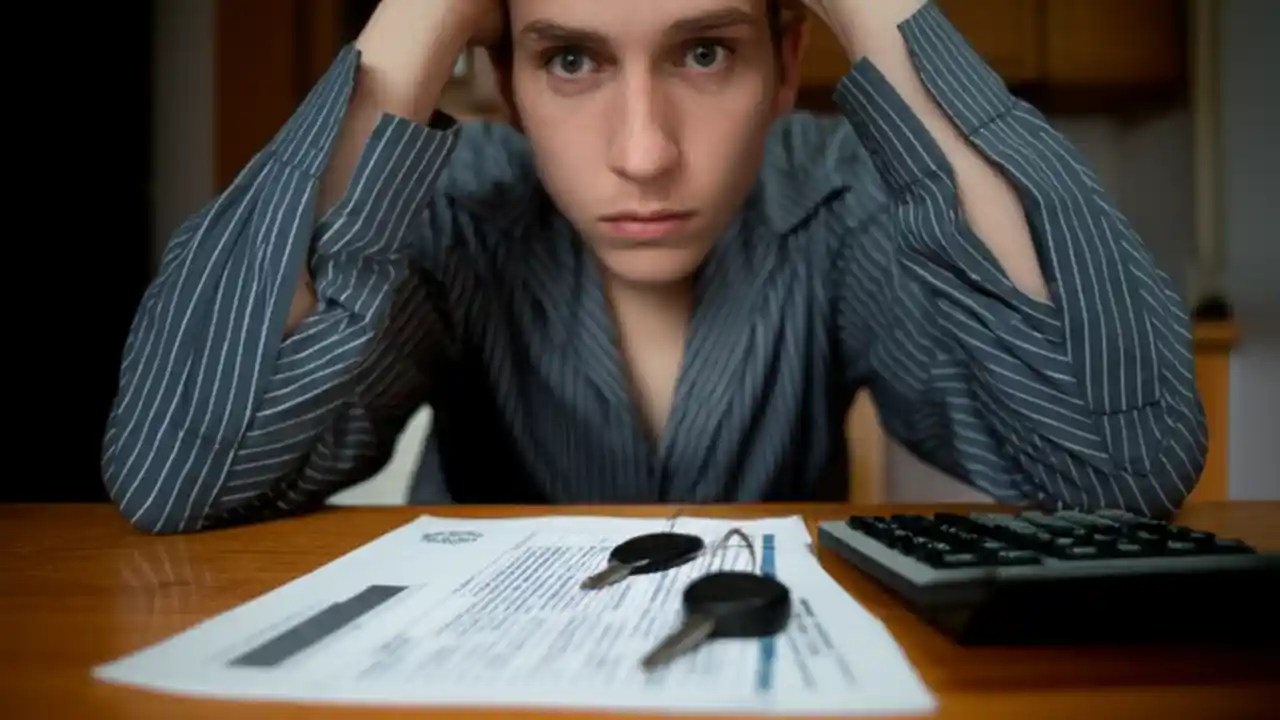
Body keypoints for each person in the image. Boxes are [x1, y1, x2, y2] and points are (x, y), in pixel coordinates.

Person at [102, 0, 1206, 534]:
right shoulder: (455, 210)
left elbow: (1120, 466)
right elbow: (175, 473)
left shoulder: (839, 195)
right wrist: (418, 16)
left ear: (784, 65)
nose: (642, 153)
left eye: (704, 51)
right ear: (501, 74)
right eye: (571, 58)